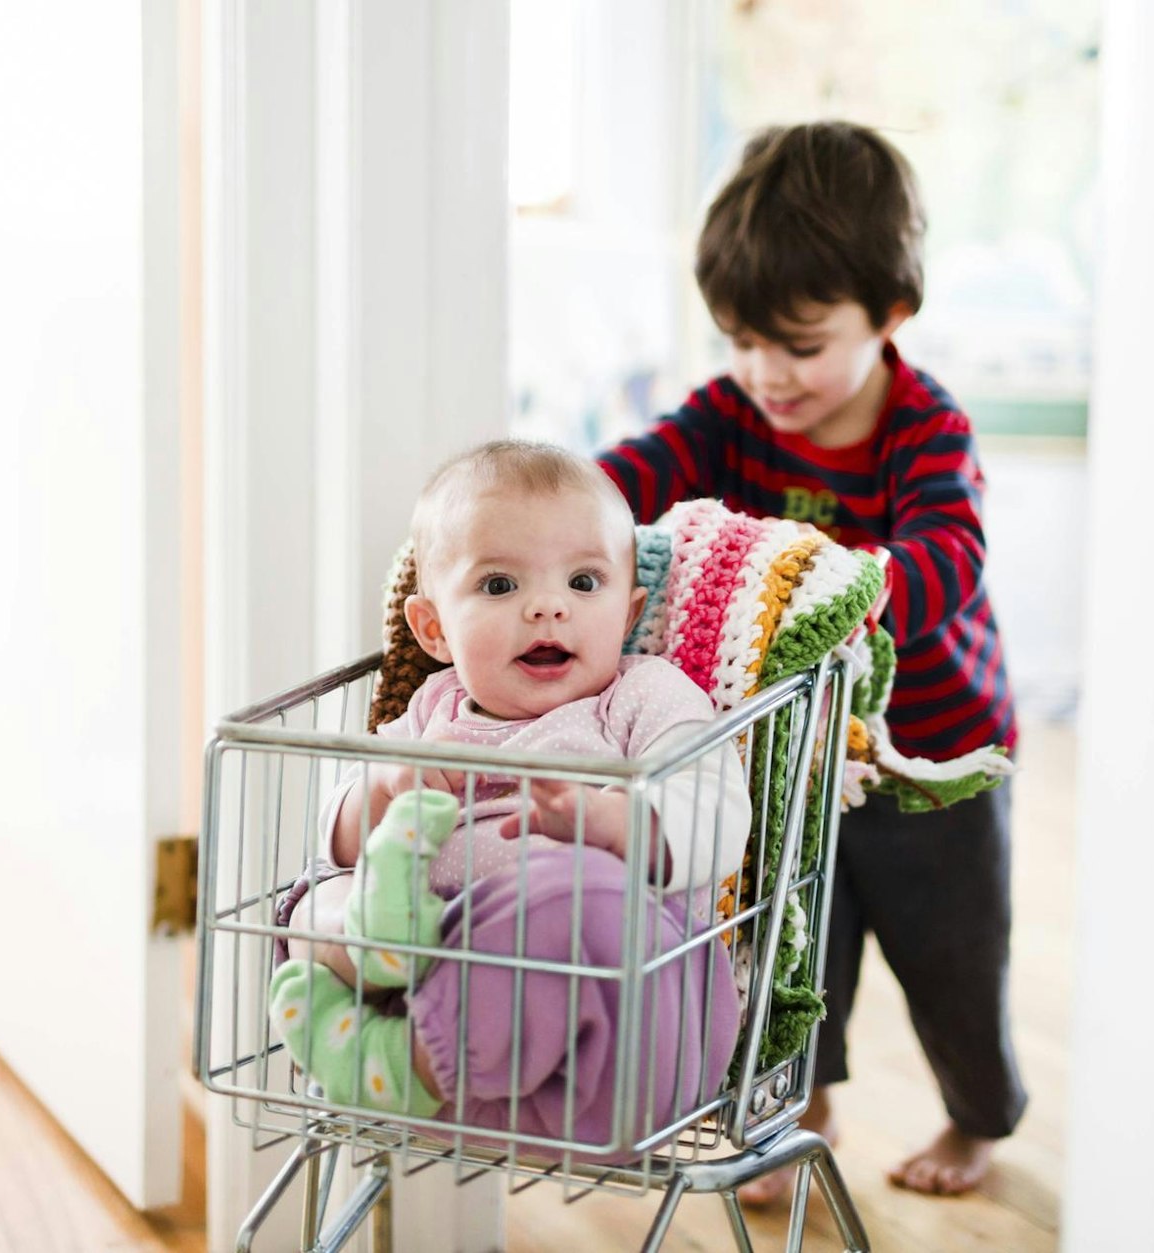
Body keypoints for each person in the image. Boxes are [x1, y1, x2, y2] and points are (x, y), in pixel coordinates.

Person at [597, 120, 1025, 1198]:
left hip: (932, 761)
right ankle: (801, 1102)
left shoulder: (926, 429)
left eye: (798, 346)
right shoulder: (728, 415)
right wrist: (561, 510)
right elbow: (636, 469)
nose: (764, 374)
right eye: (739, 340)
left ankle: (975, 1117)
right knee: (794, 949)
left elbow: (948, 559)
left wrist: (841, 593)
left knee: (952, 963)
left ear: (889, 316)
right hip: (798, 758)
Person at [268, 440, 750, 1156]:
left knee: (567, 897)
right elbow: (336, 832)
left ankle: (406, 1061)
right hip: (445, 1017)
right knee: (313, 900)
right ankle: (386, 988)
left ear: (628, 612)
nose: (548, 607)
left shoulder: (643, 697)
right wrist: (383, 787)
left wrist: (621, 824)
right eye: (500, 587)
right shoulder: (432, 711)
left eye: (585, 582)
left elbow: (717, 812)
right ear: (433, 628)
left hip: (616, 1044)